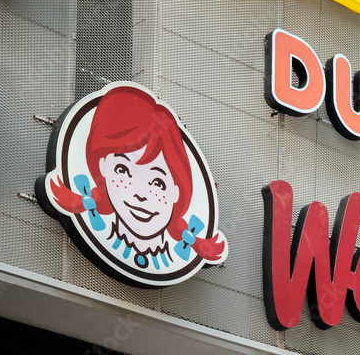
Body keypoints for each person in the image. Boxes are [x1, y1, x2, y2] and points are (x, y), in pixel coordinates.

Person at [48, 84, 226, 271]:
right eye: (122, 170)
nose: (140, 195)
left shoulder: (177, 255)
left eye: (158, 182)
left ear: (177, 191)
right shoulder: (99, 227)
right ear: (102, 168)